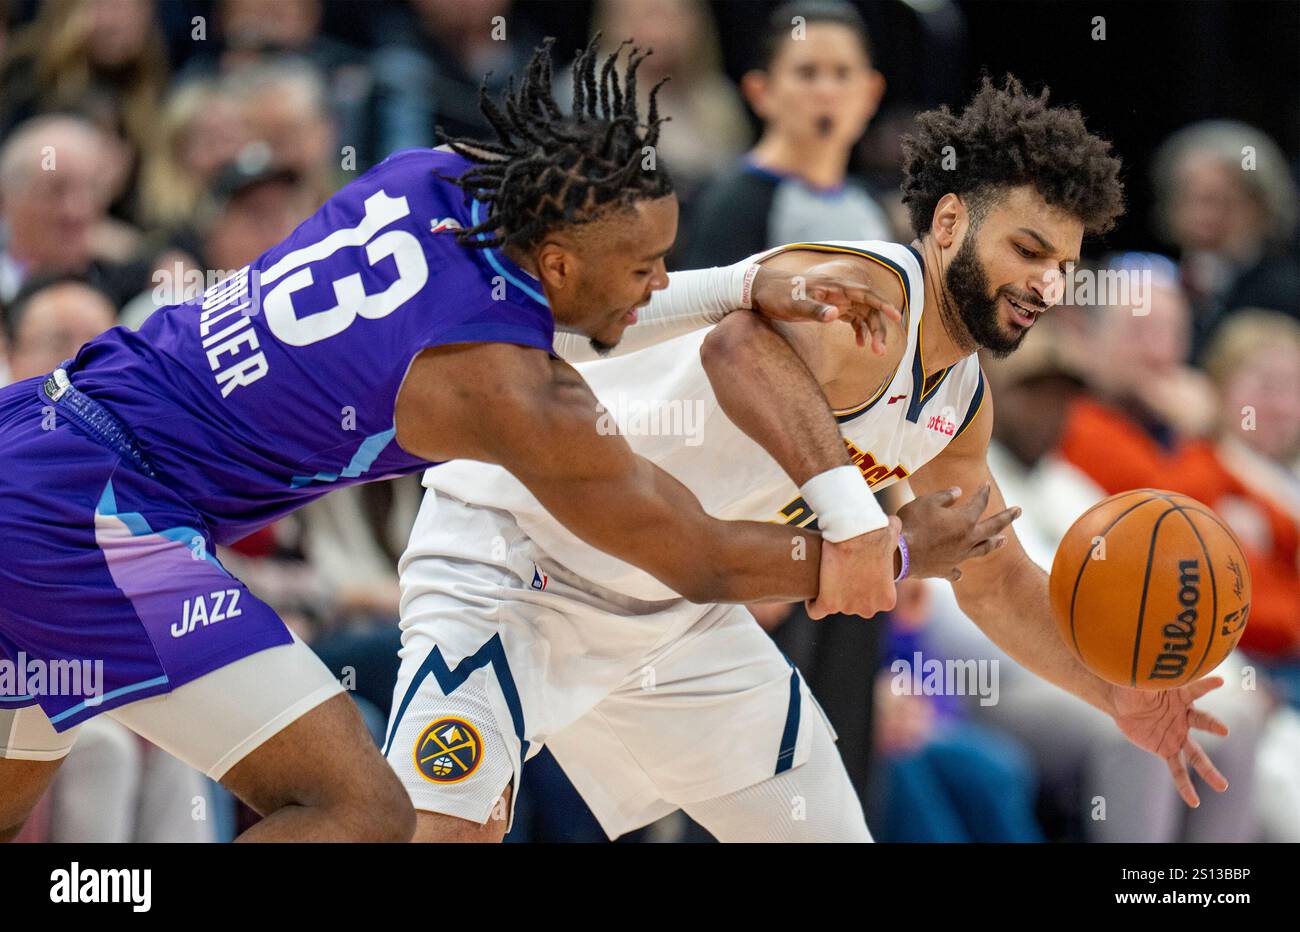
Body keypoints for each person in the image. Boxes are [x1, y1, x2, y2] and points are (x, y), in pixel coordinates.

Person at [0, 38, 895, 843]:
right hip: (103, 519)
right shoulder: (512, 395)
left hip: (34, 434)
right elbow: (694, 556)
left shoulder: (426, 180)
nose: (657, 281)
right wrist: (860, 553)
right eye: (643, 268)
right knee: (358, 811)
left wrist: (738, 284)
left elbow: (552, 314)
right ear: (556, 264)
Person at [386, 77, 1230, 843]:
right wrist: (861, 521)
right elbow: (737, 347)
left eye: (1065, 268)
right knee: (444, 835)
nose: (1048, 286)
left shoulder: (959, 399)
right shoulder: (861, 286)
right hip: (515, 554)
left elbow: (997, 576)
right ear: (948, 225)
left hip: (672, 615)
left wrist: (1111, 689)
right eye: (1029, 250)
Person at [678, 0, 892, 268]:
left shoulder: (866, 201)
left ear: (871, 93)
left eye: (842, 73)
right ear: (761, 92)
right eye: (807, 73)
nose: (826, 92)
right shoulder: (733, 203)